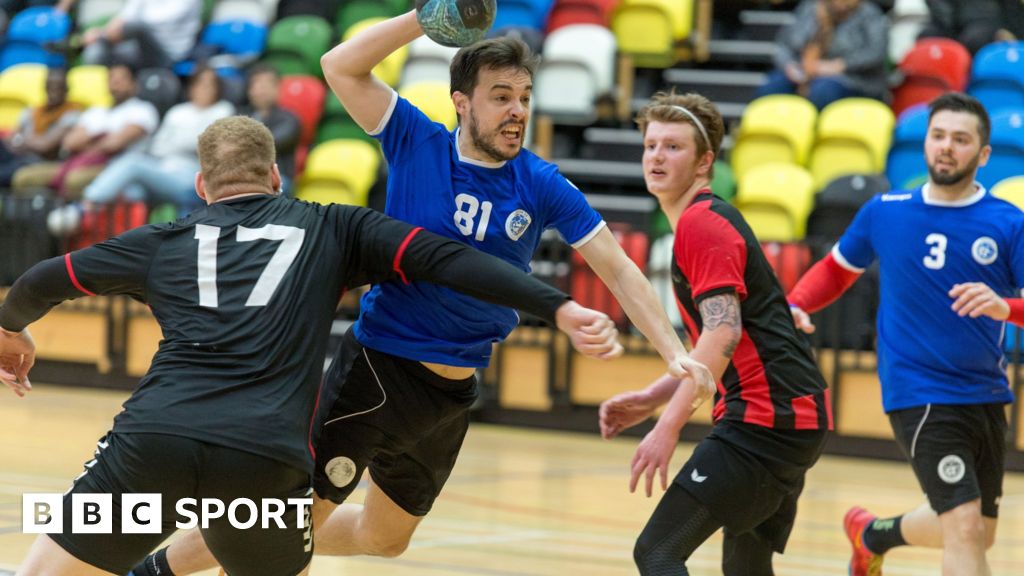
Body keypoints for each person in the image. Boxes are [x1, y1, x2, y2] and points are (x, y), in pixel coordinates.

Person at [143, 13, 713, 576]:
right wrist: (425, 18)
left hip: (452, 393)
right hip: (379, 370)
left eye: (524, 96)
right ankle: (154, 572)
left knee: (383, 538)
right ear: (462, 102)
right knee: (286, 525)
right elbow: (339, 65)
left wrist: (673, 351)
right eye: (500, 97)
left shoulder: (539, 182)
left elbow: (617, 267)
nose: (517, 110)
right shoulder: (417, 142)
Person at [0, 115, 623, 576]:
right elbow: (450, 260)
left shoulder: (161, 241)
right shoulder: (332, 226)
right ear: (277, 176)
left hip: (153, 444)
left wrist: (11, 333)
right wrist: (557, 305)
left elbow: (37, 282)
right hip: (263, 465)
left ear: (200, 185)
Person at [787, 92, 1024, 576]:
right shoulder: (886, 211)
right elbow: (836, 269)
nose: (946, 147)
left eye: (960, 140)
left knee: (981, 529)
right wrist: (795, 303)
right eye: (938, 136)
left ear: (982, 155)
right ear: (926, 144)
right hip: (919, 391)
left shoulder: (1007, 223)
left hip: (985, 391)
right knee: (963, 528)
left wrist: (1007, 307)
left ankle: (874, 534)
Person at [598, 91, 832, 576]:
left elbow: (724, 335)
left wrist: (668, 427)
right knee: (746, 569)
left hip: (767, 420)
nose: (657, 157)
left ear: (705, 161)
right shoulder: (703, 220)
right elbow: (717, 339)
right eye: (651, 145)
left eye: (673, 147)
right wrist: (653, 397)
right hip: (794, 418)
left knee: (658, 552)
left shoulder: (701, 224)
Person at [80, 65, 234, 214]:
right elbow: (158, 146)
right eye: (200, 83)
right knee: (133, 190)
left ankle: (85, 204)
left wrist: (182, 144)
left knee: (133, 162)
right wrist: (187, 144)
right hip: (163, 169)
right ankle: (131, 237)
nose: (204, 89)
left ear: (217, 89)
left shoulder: (223, 109)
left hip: (192, 176)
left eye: (210, 84)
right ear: (191, 87)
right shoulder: (177, 111)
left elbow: (208, 148)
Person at [11, 61, 159, 200]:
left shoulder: (143, 110)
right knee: (23, 177)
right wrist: (101, 140)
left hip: (114, 167)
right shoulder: (96, 112)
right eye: (111, 78)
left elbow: (114, 145)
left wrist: (88, 140)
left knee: (74, 180)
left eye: (121, 78)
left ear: (134, 84)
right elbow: (69, 143)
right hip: (76, 163)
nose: (115, 83)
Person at [755, 0, 889, 110]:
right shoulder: (809, 8)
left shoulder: (869, 13)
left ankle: (815, 137)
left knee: (823, 90)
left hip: (851, 78)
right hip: (804, 71)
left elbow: (876, 52)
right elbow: (783, 45)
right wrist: (789, 66)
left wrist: (841, 65)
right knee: (773, 85)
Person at [57, 0, 202, 70]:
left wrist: (106, 33)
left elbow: (160, 20)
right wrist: (101, 32)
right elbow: (126, 14)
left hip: (170, 52)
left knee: (135, 26)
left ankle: (75, 43)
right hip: (138, 47)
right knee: (98, 46)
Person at [0, 68, 80, 189]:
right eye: (50, 87)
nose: (53, 92)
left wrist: (21, 140)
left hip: (39, 161)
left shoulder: (71, 114)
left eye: (58, 88)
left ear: (66, 90)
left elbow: (45, 146)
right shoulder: (32, 111)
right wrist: (28, 141)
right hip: (17, 155)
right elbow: (10, 138)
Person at [240, 64, 301, 196]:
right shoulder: (240, 115)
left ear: (277, 88)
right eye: (257, 84)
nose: (261, 90)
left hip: (277, 176)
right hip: (243, 175)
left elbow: (269, 143)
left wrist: (242, 144)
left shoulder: (289, 118)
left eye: (266, 84)